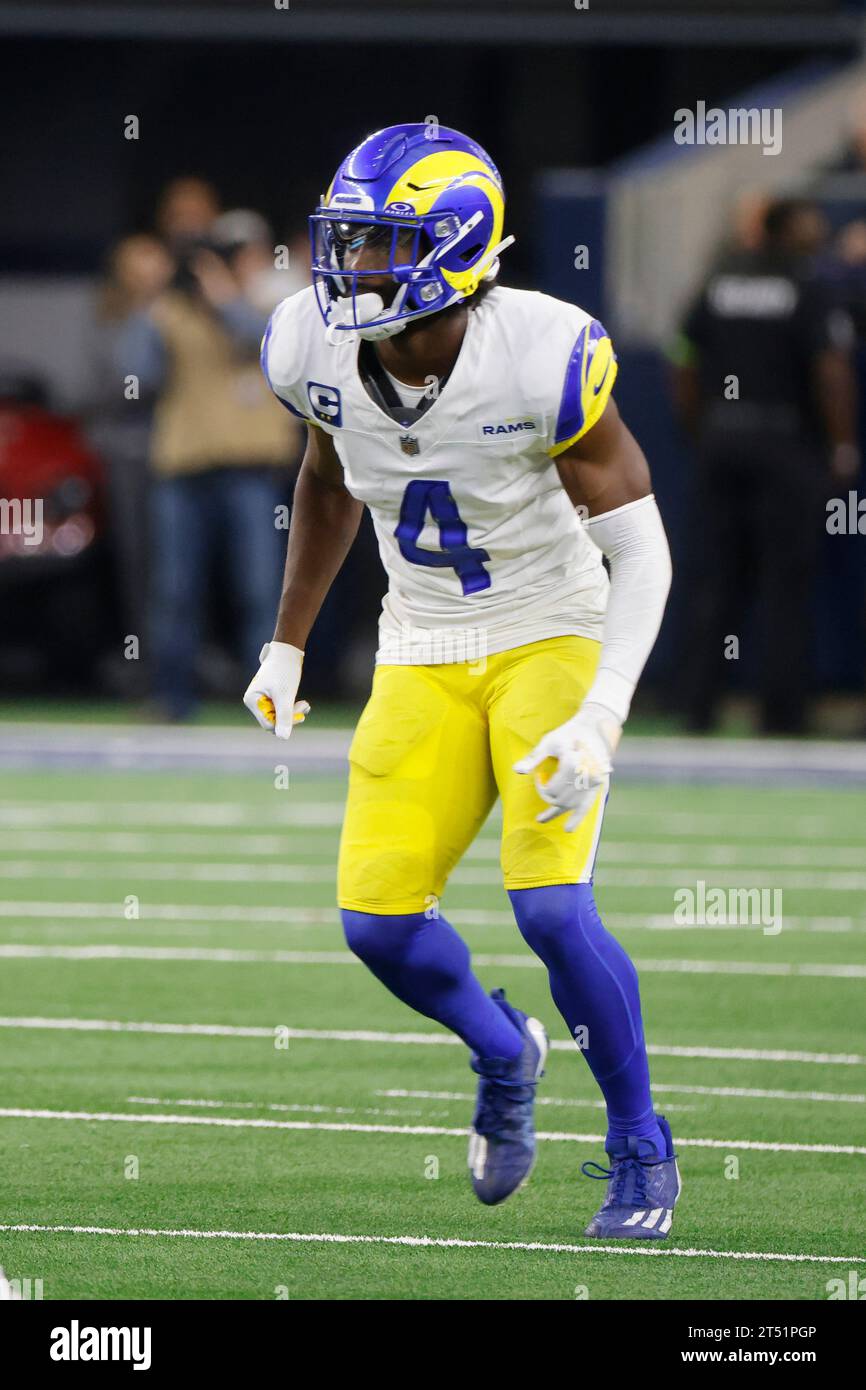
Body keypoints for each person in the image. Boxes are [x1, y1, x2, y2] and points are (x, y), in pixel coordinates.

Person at [243, 124, 677, 1239]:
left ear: (454, 249)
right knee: (377, 925)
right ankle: (502, 1048)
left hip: (549, 633)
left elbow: (640, 549)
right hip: (422, 645)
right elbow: (331, 474)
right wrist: (286, 642)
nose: (352, 268)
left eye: (382, 245)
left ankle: (638, 1140)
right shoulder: (309, 346)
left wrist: (599, 715)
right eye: (349, 240)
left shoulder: (538, 352)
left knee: (548, 906)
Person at [671, 197, 859, 734]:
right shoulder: (810, 287)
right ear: (786, 231)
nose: (820, 230)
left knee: (716, 580)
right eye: (810, 223)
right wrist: (843, 443)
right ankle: (781, 716)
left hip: (723, 445)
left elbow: (681, 357)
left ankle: (697, 707)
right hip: (785, 446)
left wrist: (701, 429)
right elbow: (831, 370)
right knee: (788, 585)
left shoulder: (719, 283)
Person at [118, 206, 298, 719]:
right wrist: (151, 298)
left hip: (251, 474)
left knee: (259, 591)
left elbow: (266, 346)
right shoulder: (171, 312)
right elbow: (134, 373)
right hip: (183, 473)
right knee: (175, 592)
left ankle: (266, 701)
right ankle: (171, 699)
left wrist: (227, 299)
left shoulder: (274, 305)